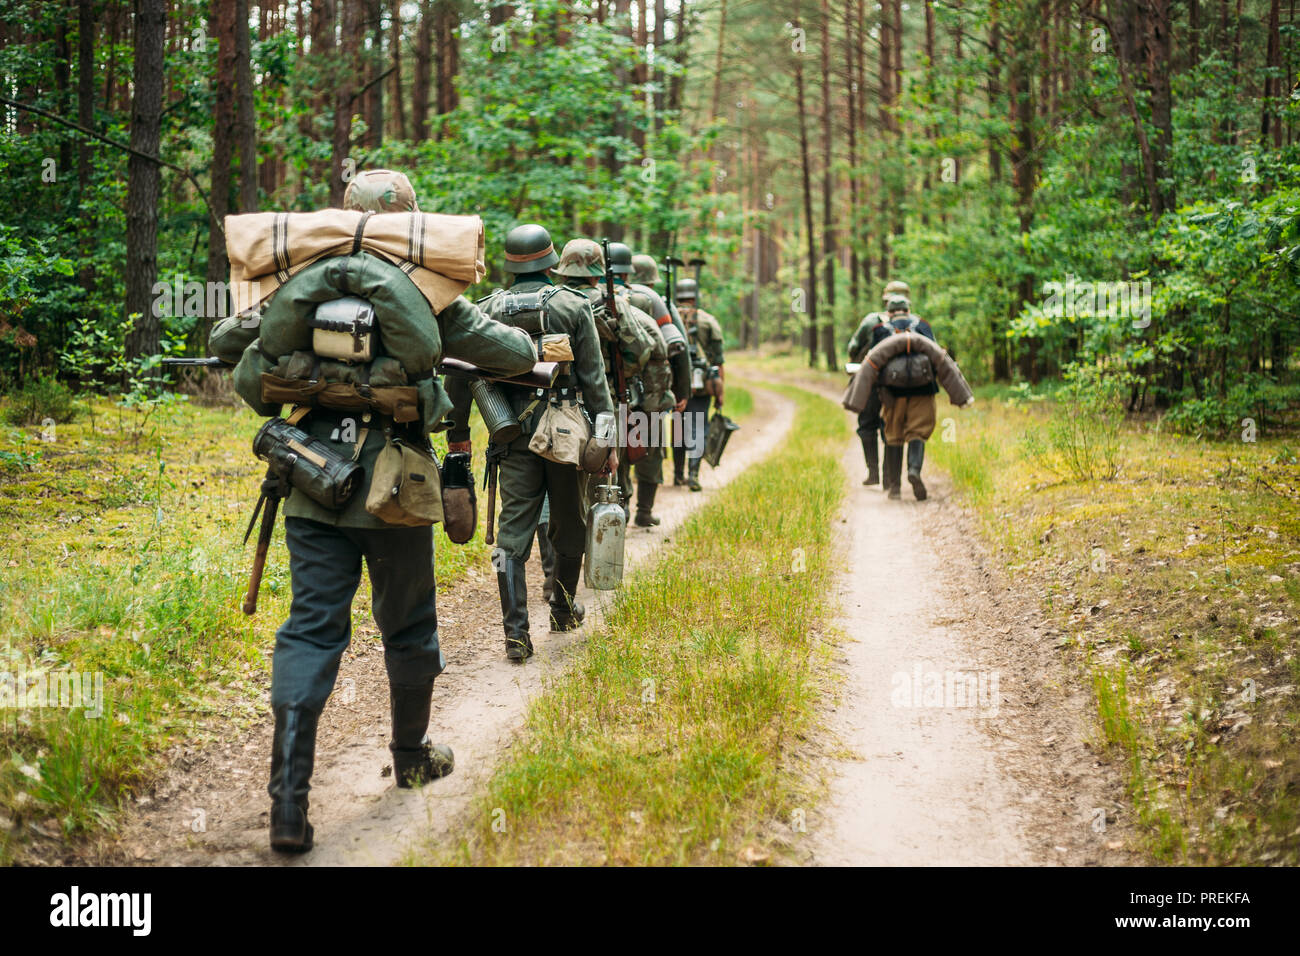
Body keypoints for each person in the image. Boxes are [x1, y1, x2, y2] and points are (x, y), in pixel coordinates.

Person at [239, 170, 538, 853]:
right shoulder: (427, 290)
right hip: (394, 485)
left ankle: (288, 805)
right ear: (410, 221)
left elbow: (244, 362)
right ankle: (410, 757)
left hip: (310, 478)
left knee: (310, 632)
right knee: (407, 627)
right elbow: (512, 353)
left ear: (346, 217)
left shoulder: (300, 282)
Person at [445, 224, 616, 662]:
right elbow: (596, 385)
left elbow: (460, 377)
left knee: (510, 536)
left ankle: (515, 635)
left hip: (512, 435)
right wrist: (607, 440)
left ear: (509, 262)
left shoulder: (486, 309)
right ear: (549, 259)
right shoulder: (574, 307)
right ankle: (561, 607)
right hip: (565, 435)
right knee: (570, 526)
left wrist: (459, 435)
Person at [628, 253, 691, 525]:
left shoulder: (615, 295)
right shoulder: (658, 302)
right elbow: (680, 348)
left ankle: (619, 509)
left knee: (617, 445)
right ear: (652, 279)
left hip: (619, 388)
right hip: (652, 391)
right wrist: (683, 390)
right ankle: (644, 511)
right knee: (651, 448)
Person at [872, 293, 939, 500]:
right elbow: (936, 357)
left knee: (893, 435)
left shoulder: (880, 330)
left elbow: (874, 362)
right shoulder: (923, 326)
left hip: (893, 393)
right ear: (908, 310)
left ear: (889, 312)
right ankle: (914, 471)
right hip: (923, 391)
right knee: (917, 432)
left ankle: (894, 488)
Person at [845, 279, 911, 486]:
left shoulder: (871, 320)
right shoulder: (914, 322)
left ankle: (873, 472)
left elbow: (853, 347)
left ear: (885, 300)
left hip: (871, 381)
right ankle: (889, 479)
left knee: (867, 424)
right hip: (898, 385)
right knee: (891, 428)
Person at [672, 277, 726, 491]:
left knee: (678, 428)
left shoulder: (669, 315)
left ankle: (678, 475)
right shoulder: (708, 321)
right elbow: (719, 360)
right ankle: (693, 474)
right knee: (698, 427)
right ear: (695, 297)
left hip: (675, 384)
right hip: (702, 384)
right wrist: (720, 392)